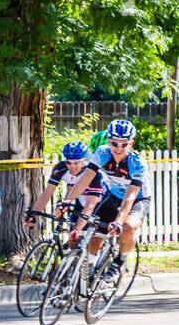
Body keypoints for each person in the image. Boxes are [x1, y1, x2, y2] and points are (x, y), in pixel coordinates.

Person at [60, 119, 150, 285]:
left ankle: (119, 263)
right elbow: (85, 179)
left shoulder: (137, 164)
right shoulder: (102, 153)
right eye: (115, 143)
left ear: (131, 143)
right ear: (109, 140)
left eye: (124, 144)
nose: (119, 148)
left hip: (137, 199)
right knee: (95, 236)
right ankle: (90, 272)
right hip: (114, 196)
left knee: (128, 226)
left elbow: (130, 196)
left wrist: (118, 221)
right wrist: (67, 199)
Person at [23, 140, 104, 230]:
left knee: (91, 238)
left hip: (100, 203)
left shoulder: (93, 173)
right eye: (69, 162)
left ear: (84, 160)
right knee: (73, 241)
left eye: (76, 162)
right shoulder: (61, 168)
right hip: (81, 202)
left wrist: (77, 230)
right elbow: (47, 194)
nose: (72, 166)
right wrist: (34, 215)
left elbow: (90, 205)